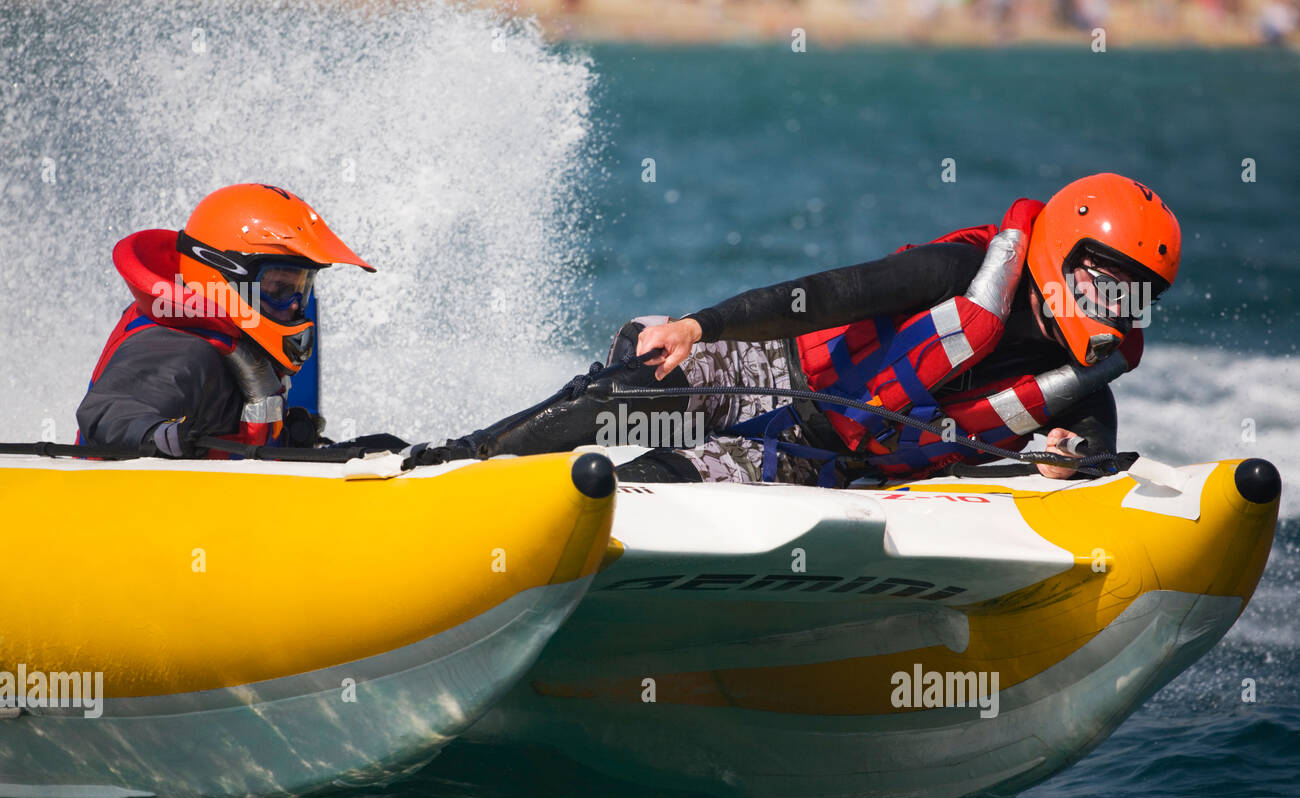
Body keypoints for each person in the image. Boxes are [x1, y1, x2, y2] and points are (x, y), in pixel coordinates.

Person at [435, 172, 1181, 485]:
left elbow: (1089, 462)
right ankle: (455, 466)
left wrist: (1066, 462)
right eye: (1109, 290)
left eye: (1137, 300)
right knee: (629, 401)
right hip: (769, 365)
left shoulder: (1083, 389)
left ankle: (555, 563)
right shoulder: (961, 271)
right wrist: (702, 325)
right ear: (1065, 253)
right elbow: (823, 296)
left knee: (656, 486)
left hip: (809, 458)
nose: (1118, 314)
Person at [77, 183, 377, 457]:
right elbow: (109, 415)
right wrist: (160, 437)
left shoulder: (236, 345)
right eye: (278, 289)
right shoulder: (179, 349)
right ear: (223, 277)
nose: (295, 304)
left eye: (301, 288)